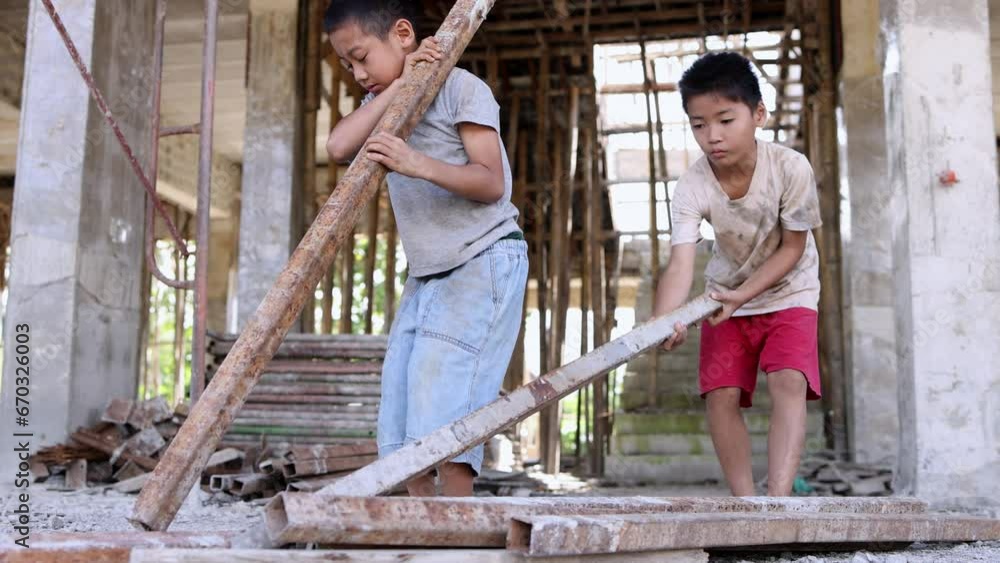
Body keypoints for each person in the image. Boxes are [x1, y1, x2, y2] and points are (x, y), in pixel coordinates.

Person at [325, 0, 528, 497]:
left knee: (446, 409)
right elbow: (337, 146)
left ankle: (456, 523)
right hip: (428, 272)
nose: (358, 74)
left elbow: (491, 183)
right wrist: (398, 86)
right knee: (401, 408)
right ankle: (423, 525)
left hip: (482, 257)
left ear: (402, 34)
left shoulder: (461, 88)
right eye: (347, 66)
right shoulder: (384, 107)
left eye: (361, 57)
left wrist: (415, 163)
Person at [653, 51, 823, 496]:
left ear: (758, 114)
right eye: (699, 125)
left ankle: (777, 503)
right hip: (725, 294)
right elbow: (681, 261)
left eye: (726, 120)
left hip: (791, 289)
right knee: (721, 393)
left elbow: (793, 248)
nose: (712, 136)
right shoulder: (691, 185)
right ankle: (746, 504)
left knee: (789, 379)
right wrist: (664, 321)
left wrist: (743, 295)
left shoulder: (791, 168)